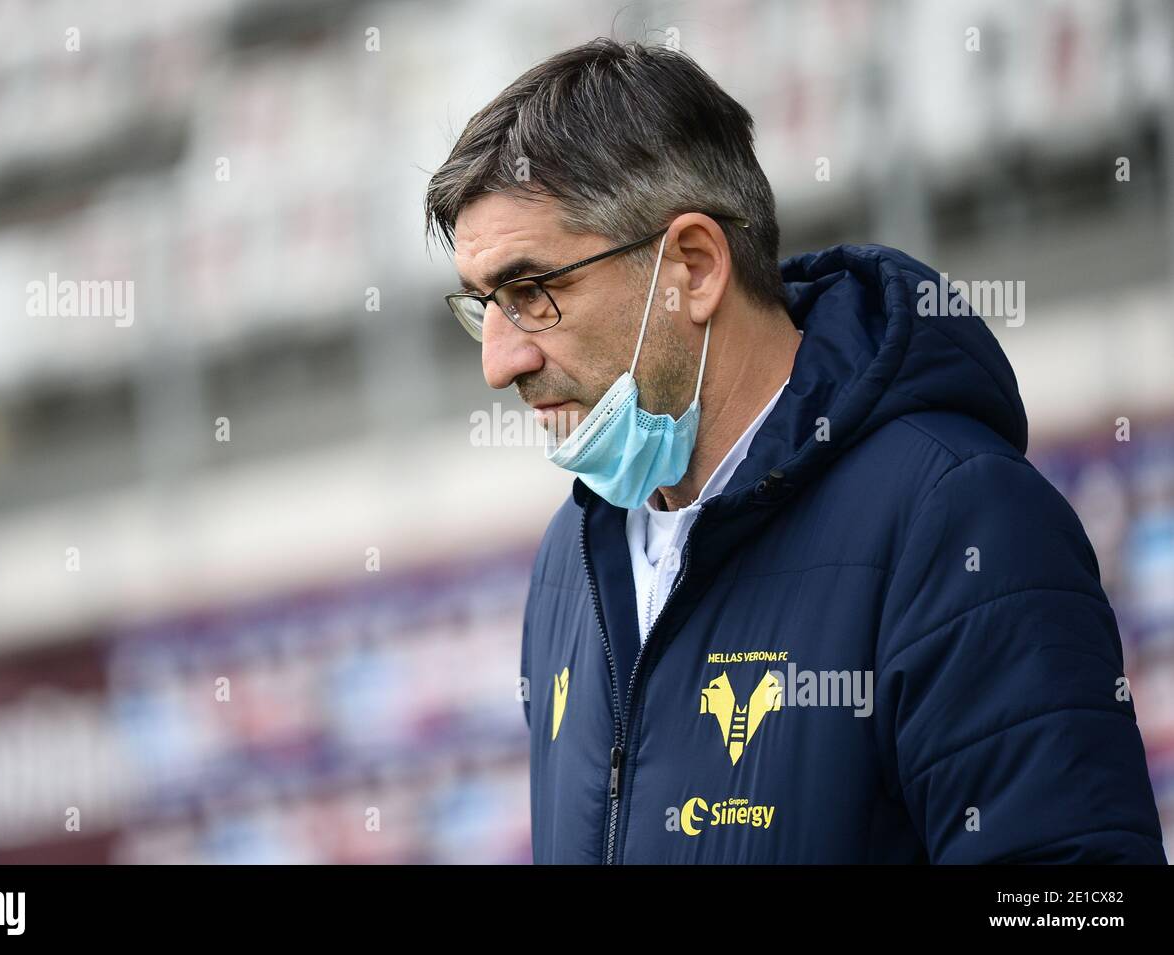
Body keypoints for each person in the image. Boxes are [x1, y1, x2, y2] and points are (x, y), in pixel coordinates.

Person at [424, 38, 1167, 863]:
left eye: (532, 294)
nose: (500, 363)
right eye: (483, 305)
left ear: (694, 268)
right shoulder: (572, 558)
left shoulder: (956, 519)